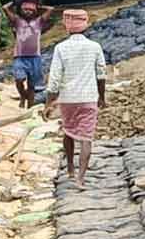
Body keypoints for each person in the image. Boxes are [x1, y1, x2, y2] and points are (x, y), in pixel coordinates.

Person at [45, 10, 106, 190]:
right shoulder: (94, 47)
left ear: (67, 26)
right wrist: (102, 97)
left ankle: (70, 167)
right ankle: (80, 178)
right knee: (86, 138)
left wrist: (49, 101)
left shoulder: (61, 48)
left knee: (68, 131)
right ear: (85, 24)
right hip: (88, 97)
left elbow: (54, 78)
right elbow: (101, 74)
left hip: (67, 99)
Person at [2, 0, 56, 108]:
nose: (28, 11)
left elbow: (51, 9)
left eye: (31, 10)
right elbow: (5, 8)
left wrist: (37, 4)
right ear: (20, 10)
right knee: (19, 79)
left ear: (35, 11)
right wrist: (17, 1)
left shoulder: (39, 22)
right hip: (20, 57)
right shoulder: (17, 21)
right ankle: (23, 95)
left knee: (32, 84)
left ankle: (29, 107)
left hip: (35, 57)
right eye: (25, 9)